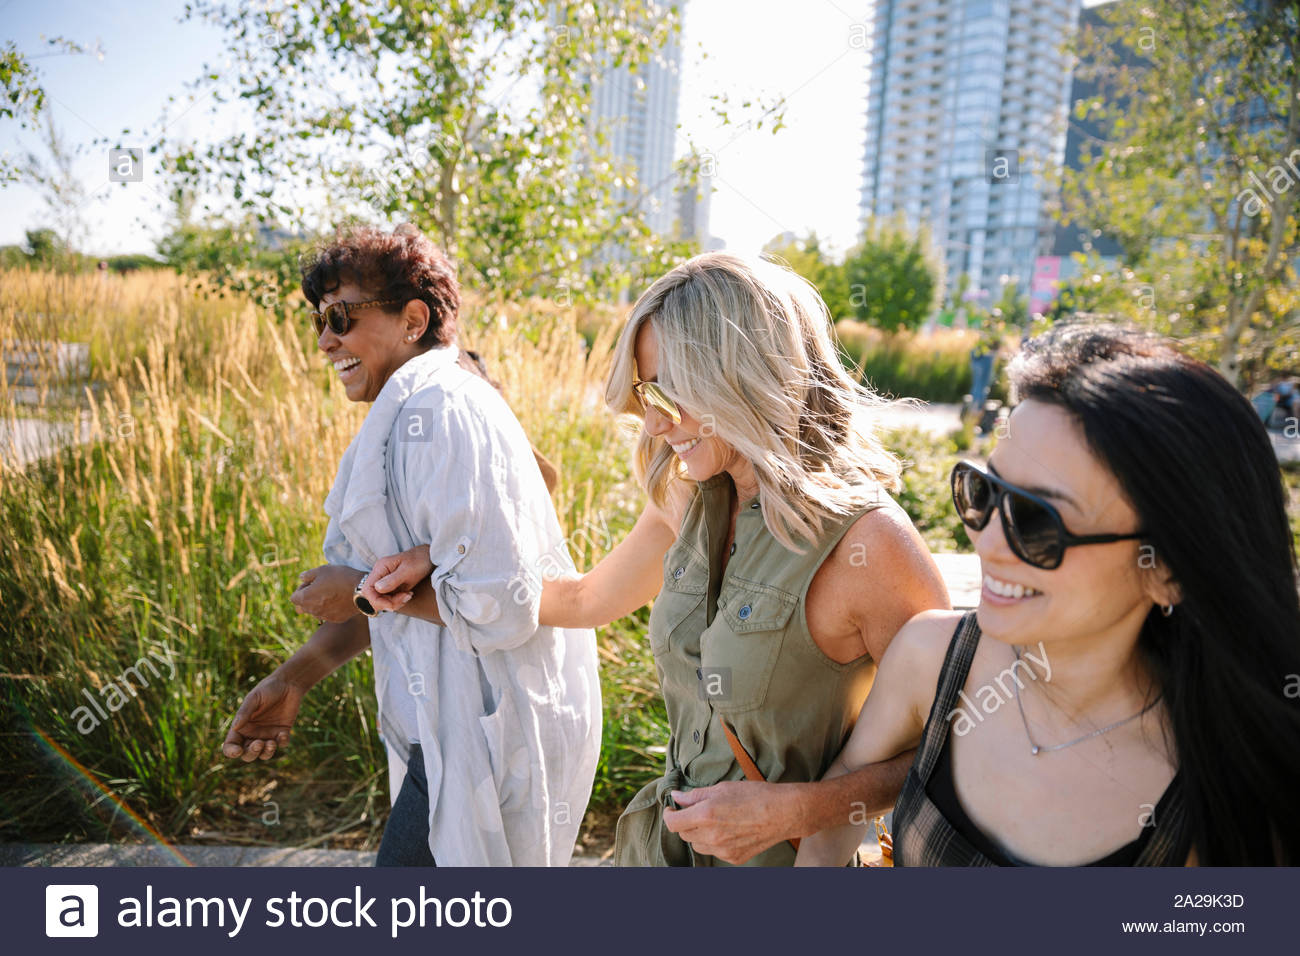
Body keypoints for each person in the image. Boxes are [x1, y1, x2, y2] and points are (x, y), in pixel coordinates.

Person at [363, 252, 951, 865]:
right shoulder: (687, 495)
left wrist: (798, 810)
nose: (653, 421)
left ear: (744, 376)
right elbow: (582, 600)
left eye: (667, 392)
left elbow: (960, 745)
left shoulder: (869, 545)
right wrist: (439, 571)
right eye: (646, 394)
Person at [795, 323, 1300, 866]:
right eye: (983, 491)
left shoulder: (1226, 791)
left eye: (1037, 520)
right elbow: (843, 798)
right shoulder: (934, 659)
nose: (987, 542)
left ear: (1167, 570)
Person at [220, 224, 601, 867]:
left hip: (495, 724)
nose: (324, 339)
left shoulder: (443, 410)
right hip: (454, 728)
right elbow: (398, 592)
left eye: (340, 316)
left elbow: (500, 600)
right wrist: (295, 678)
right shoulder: (405, 414)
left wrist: (362, 594)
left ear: (413, 318)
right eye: (318, 320)